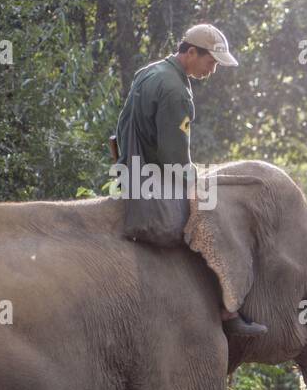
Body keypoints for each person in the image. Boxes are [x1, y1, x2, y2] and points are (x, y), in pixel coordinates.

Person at [114, 23, 267, 337]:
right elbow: (175, 162)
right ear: (191, 52)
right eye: (210, 62)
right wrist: (200, 180)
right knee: (216, 218)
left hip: (129, 174)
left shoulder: (149, 72)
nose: (212, 70)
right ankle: (228, 311)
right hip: (154, 185)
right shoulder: (176, 91)